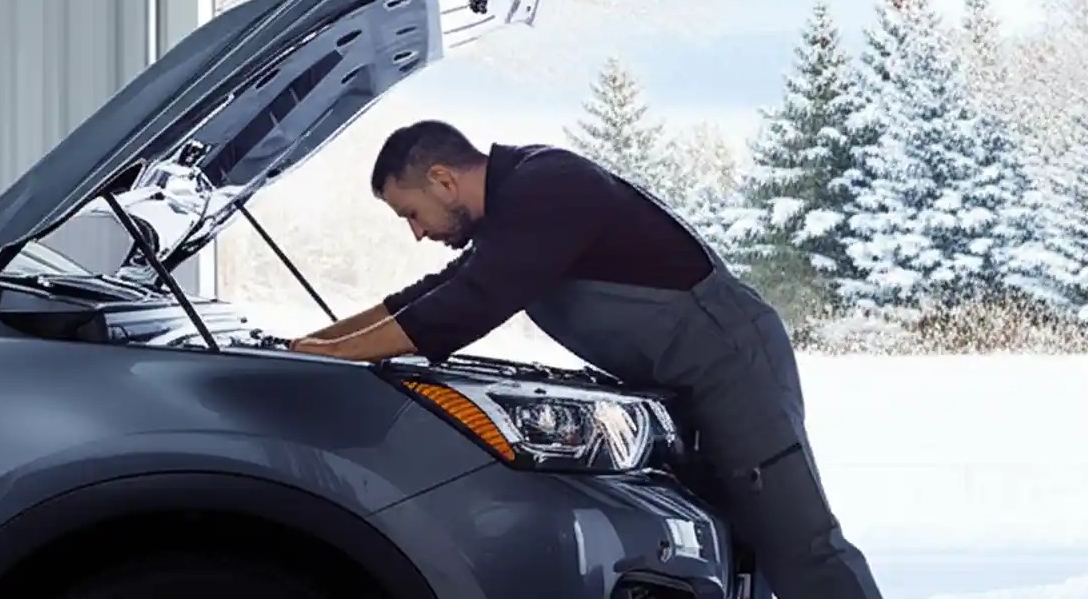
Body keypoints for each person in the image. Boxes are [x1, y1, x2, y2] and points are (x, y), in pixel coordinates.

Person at [289, 119, 882, 599]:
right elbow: (428, 295)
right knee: (739, 542)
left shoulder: (547, 186)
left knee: (798, 540)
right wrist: (312, 346)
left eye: (410, 214)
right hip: (680, 382)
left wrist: (333, 359)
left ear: (442, 180)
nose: (416, 232)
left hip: (728, 359)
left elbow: (466, 307)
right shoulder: (512, 213)